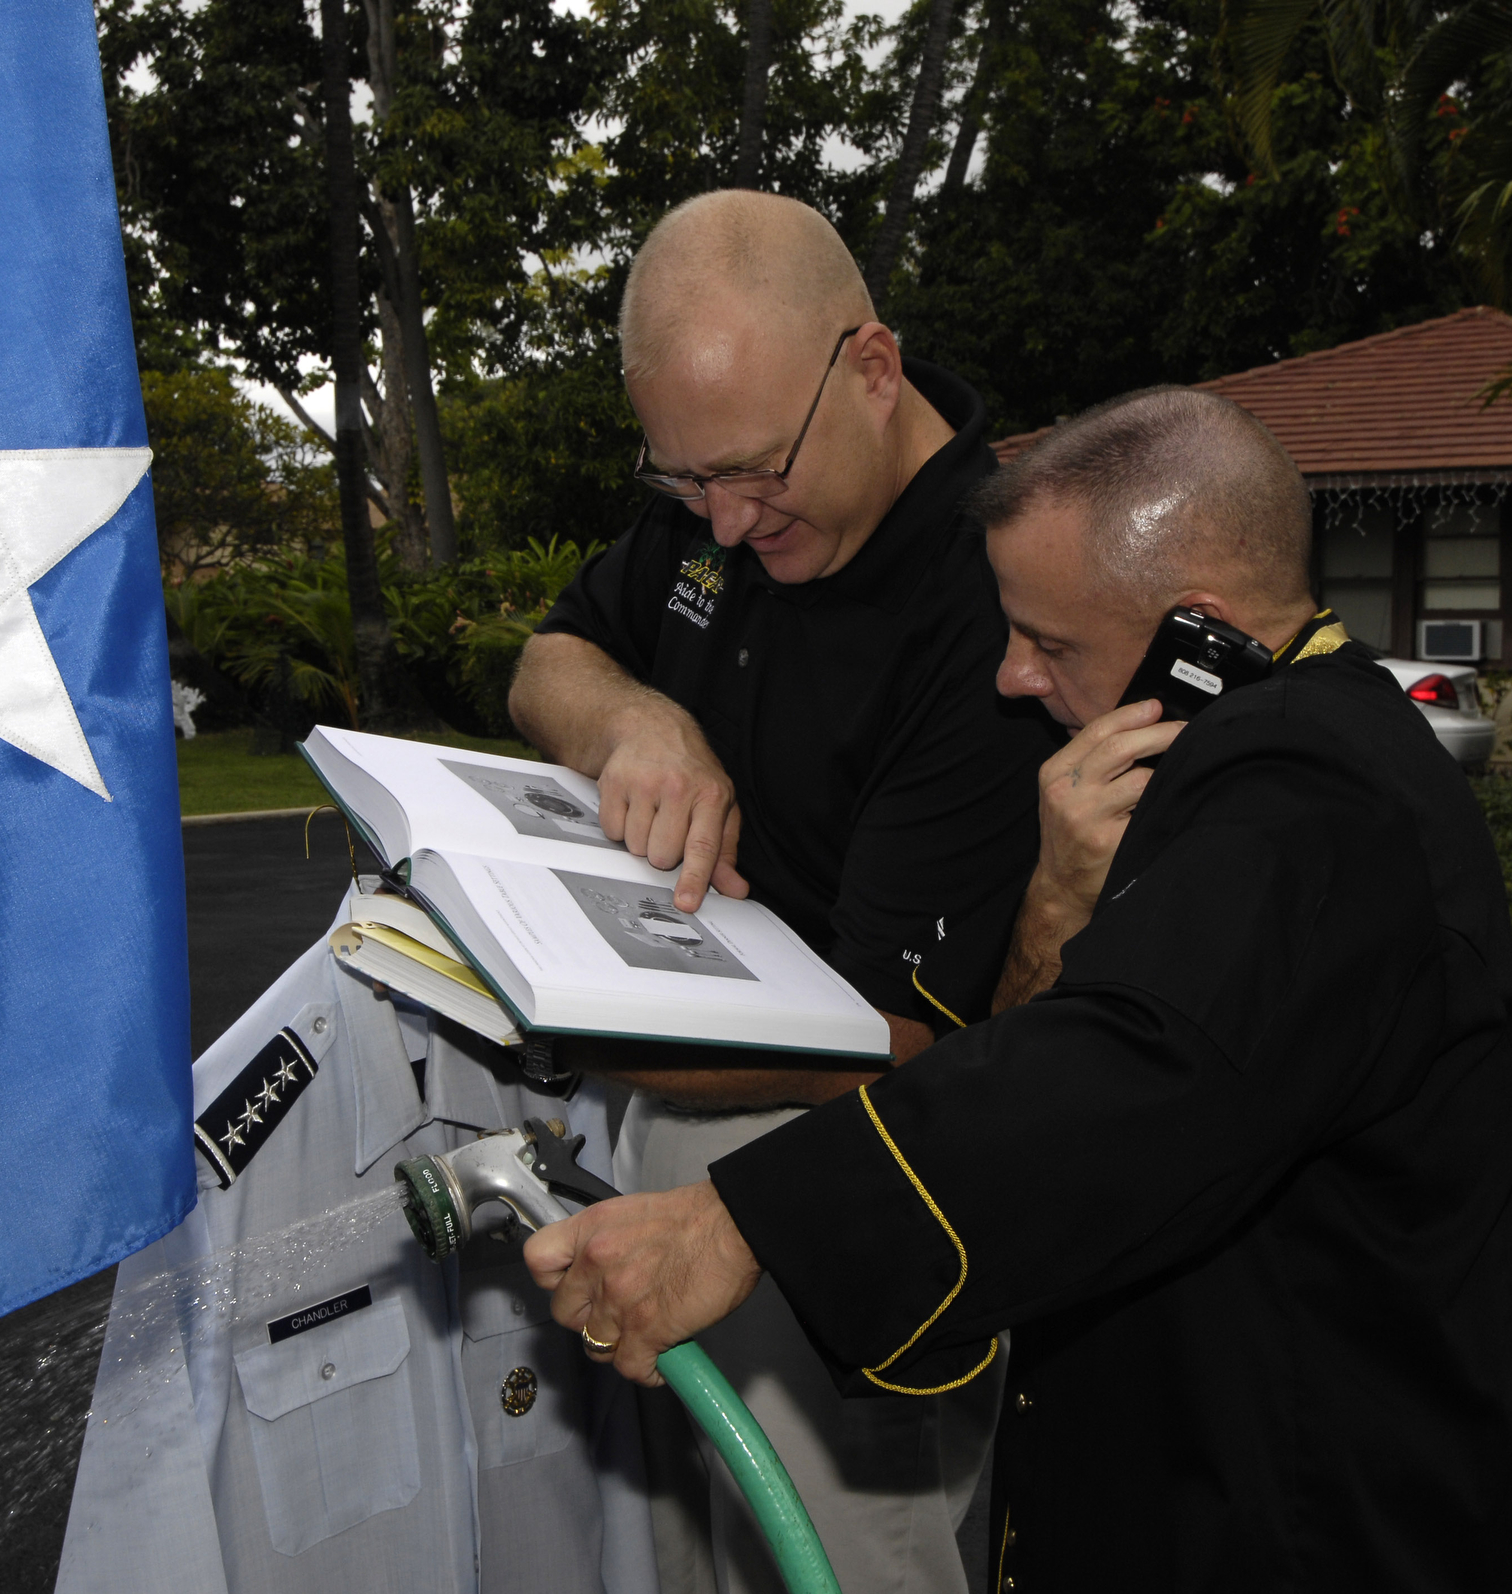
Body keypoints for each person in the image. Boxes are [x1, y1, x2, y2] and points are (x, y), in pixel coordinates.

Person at [527, 388, 1512, 1591]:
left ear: (1202, 635)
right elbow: (1047, 1062)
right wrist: (1059, 909)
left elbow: (1127, 1073)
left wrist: (741, 1220)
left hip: (1298, 1530)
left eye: (1050, 643)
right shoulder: (1230, 778)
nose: (1013, 678)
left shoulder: (1315, 788)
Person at [509, 190, 1059, 1594]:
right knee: (690, 1543)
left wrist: (548, 1022)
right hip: (665, 1108)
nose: (732, 524)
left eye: (755, 475)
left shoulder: (996, 605)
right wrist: (633, 719)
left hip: (849, 1177)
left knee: (839, 1557)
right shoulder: (721, 504)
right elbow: (550, 657)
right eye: (687, 485)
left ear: (872, 369)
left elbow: (904, 1040)